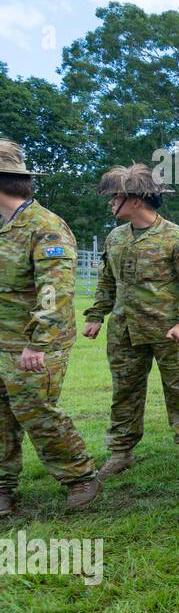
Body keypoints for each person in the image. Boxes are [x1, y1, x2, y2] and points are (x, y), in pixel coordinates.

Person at [83, 163, 179, 474]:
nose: (111, 203)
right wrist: (96, 315)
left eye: (116, 198)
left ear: (136, 200)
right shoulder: (115, 238)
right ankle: (120, 452)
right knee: (124, 392)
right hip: (124, 331)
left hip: (170, 332)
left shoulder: (176, 237)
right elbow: (107, 280)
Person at [0, 138, 102, 515]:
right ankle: (3, 489)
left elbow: (54, 291)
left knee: (37, 412)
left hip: (36, 346)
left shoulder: (45, 227)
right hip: (2, 341)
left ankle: (80, 477)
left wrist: (38, 343)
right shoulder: (4, 226)